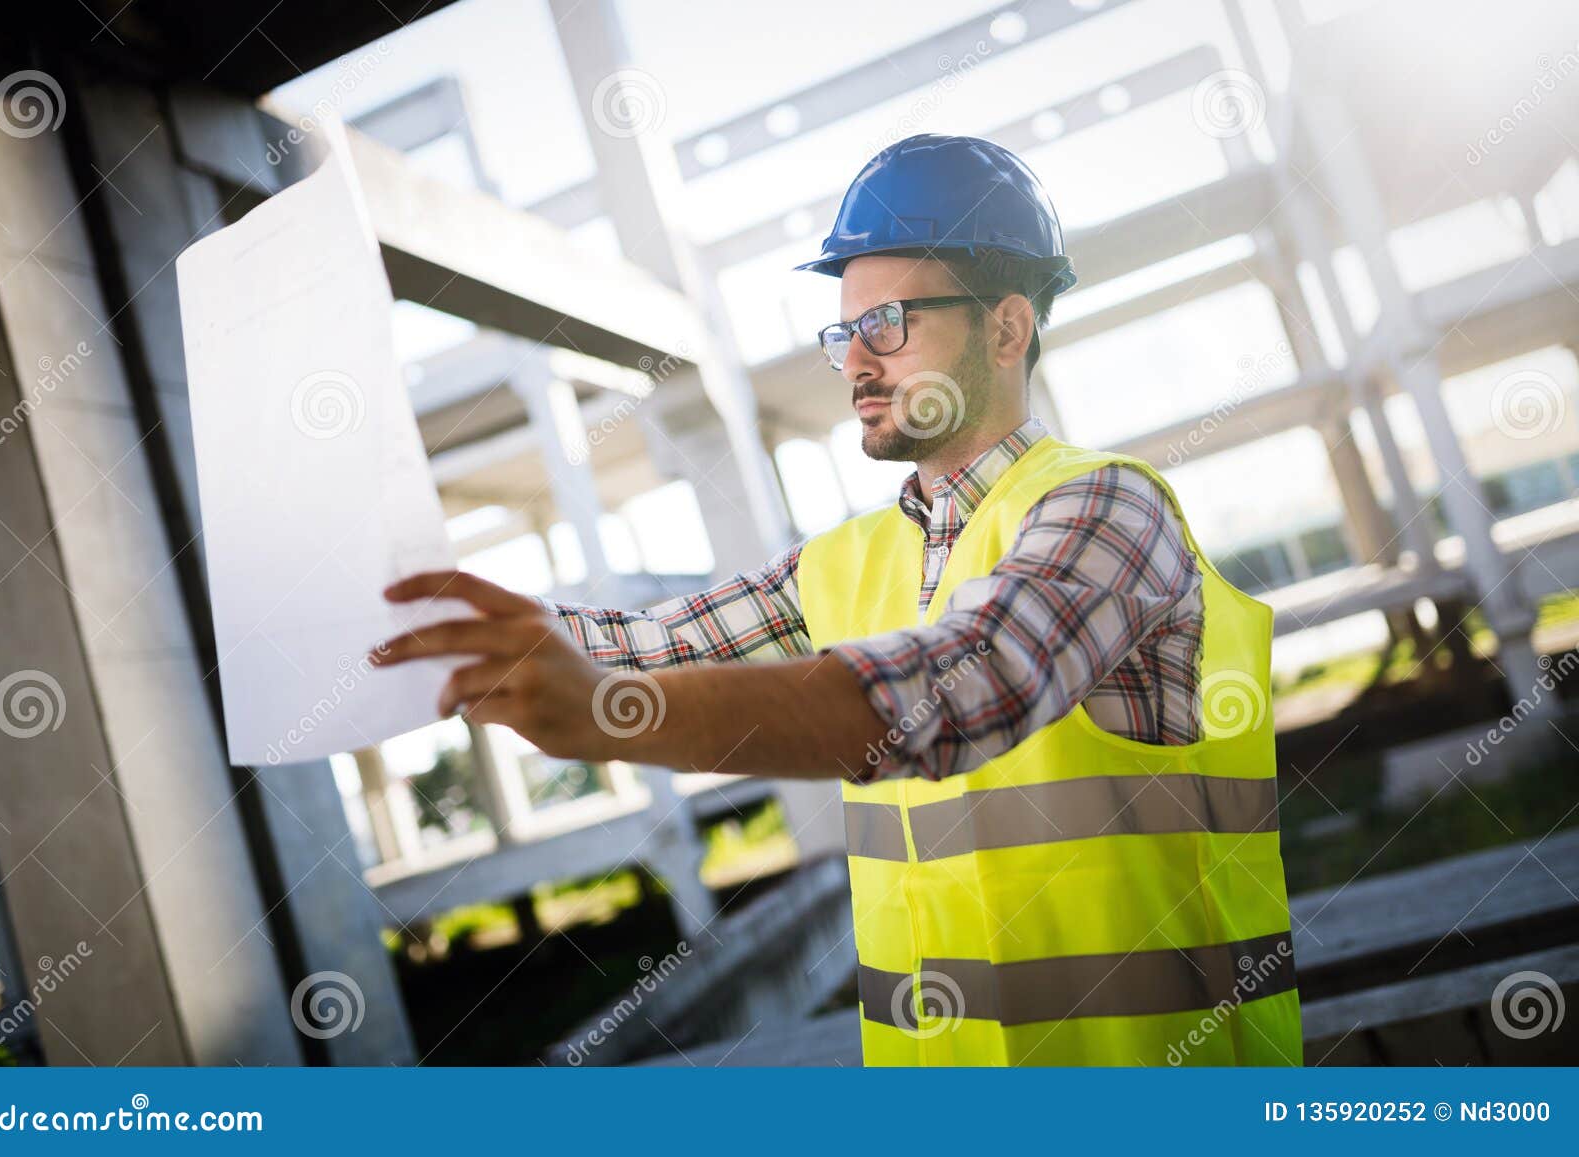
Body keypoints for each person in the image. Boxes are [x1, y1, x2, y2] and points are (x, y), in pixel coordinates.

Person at [371, 133, 1303, 1066]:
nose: (856, 360)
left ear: (1007, 328)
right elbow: (649, 641)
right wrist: (407, 618)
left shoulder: (1110, 507)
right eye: (844, 330)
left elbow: (965, 690)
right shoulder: (844, 562)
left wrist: (610, 718)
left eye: (889, 322)